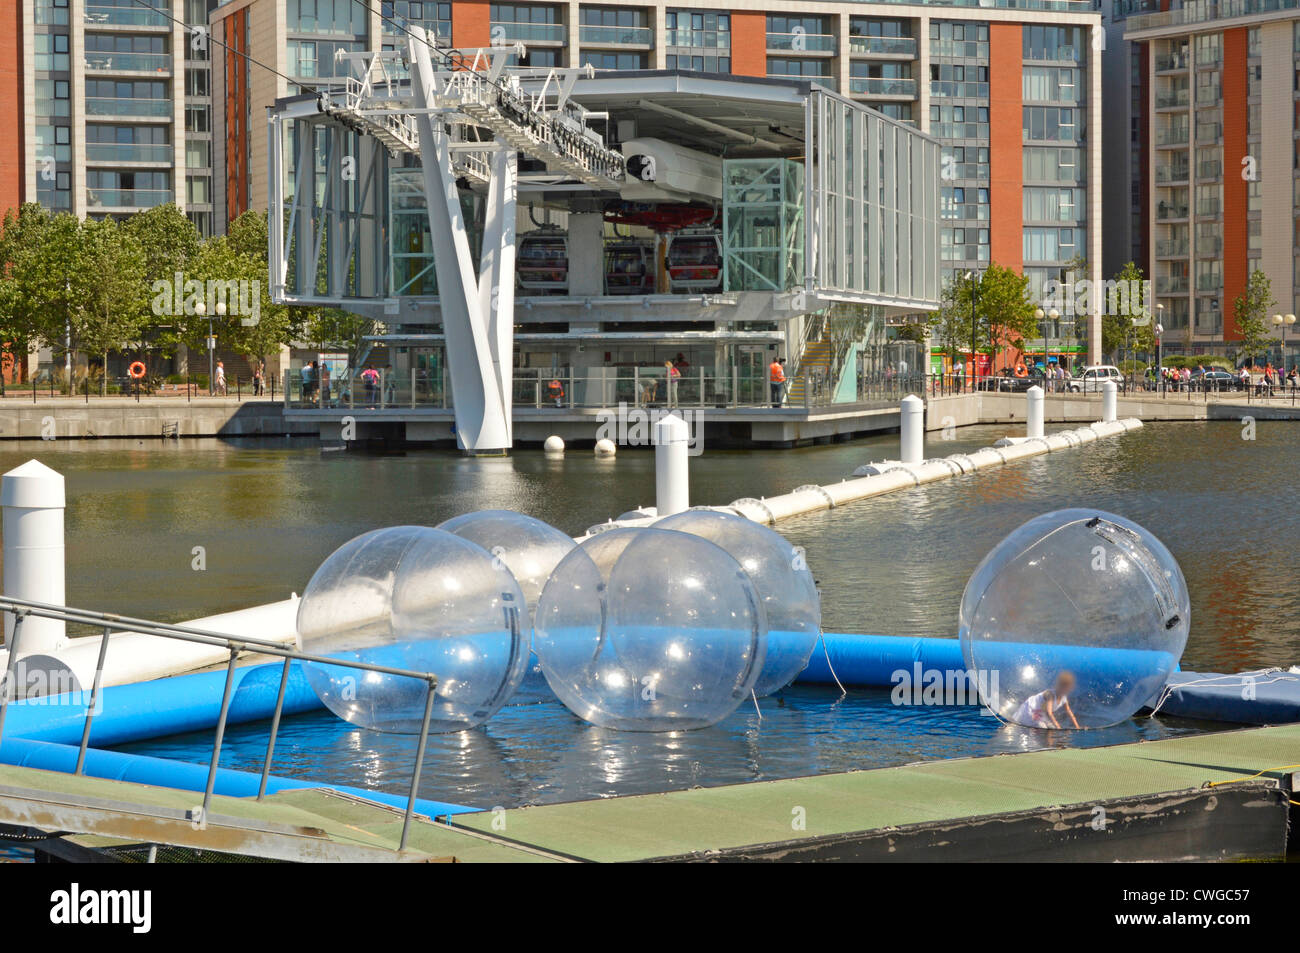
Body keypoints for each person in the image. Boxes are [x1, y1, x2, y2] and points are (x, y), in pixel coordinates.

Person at [1014, 671, 1080, 729]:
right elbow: (1049, 713)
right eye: (1063, 686)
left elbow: (1070, 713)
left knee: (1051, 728)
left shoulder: (1064, 698)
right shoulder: (1050, 695)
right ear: (1059, 685)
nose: (1065, 690)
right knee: (1041, 727)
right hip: (1030, 708)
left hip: (1041, 713)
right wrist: (1058, 726)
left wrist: (1077, 727)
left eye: (1067, 688)